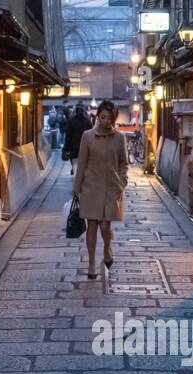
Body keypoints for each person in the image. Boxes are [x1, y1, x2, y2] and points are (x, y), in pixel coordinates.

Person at [72, 100, 129, 279]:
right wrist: (77, 187)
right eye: (102, 117)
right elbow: (81, 164)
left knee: (105, 225)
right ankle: (91, 263)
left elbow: (123, 163)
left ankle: (107, 249)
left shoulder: (120, 138)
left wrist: (122, 181)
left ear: (113, 119)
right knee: (92, 225)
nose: (105, 121)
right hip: (91, 186)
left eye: (109, 118)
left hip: (112, 187)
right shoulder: (87, 136)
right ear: (98, 117)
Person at [62, 102, 93, 176]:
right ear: (83, 111)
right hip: (84, 148)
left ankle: (76, 176)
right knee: (83, 168)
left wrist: (66, 148)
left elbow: (68, 136)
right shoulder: (87, 121)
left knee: (76, 168)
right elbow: (91, 136)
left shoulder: (71, 121)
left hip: (74, 148)